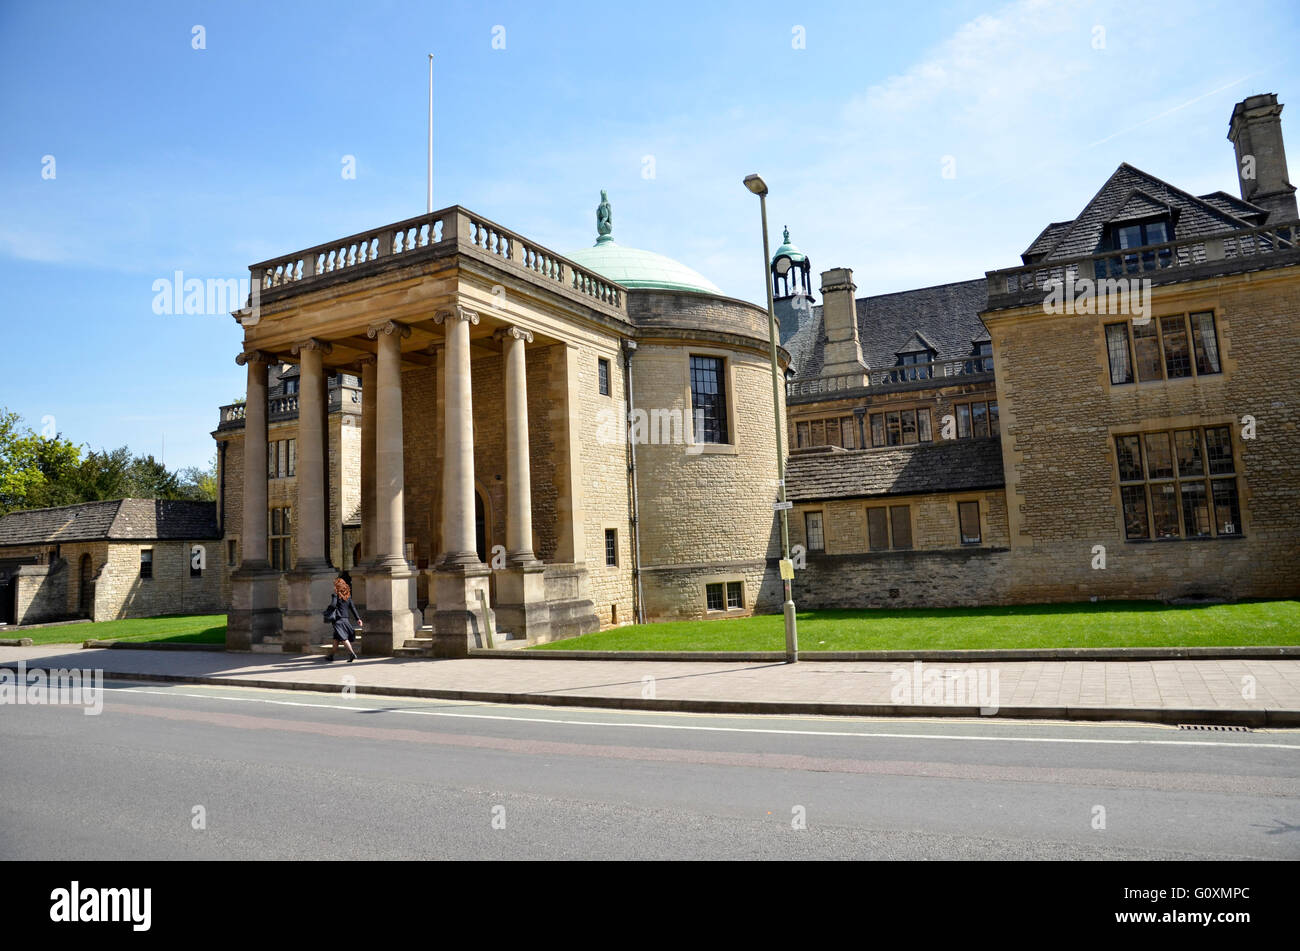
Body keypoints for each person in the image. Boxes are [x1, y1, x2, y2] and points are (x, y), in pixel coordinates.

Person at [324, 576, 361, 662]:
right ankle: (331, 655)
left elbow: (333, 605)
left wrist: (328, 609)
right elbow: (353, 608)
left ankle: (352, 653)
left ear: (337, 586)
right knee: (336, 639)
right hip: (345, 619)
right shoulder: (348, 596)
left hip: (338, 620)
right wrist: (358, 619)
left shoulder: (335, 595)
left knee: (344, 638)